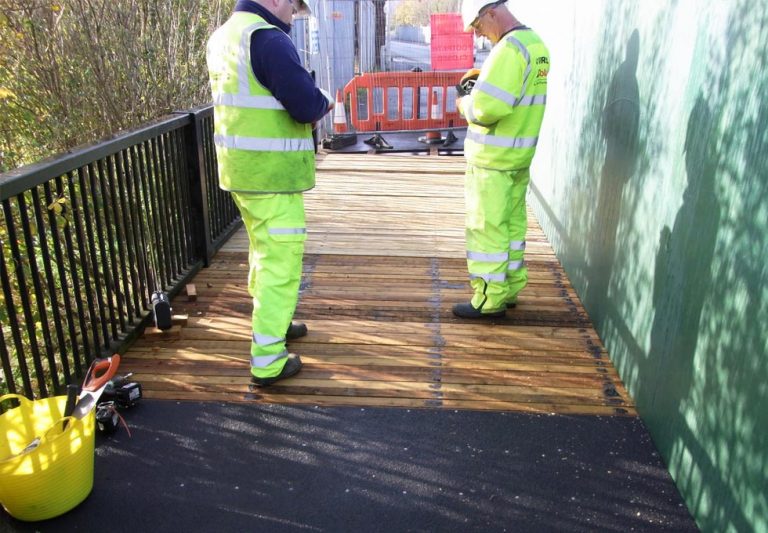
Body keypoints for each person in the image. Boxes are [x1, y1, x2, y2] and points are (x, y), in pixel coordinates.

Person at [206, 0, 334, 386]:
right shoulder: (268, 39)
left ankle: (274, 322)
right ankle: (268, 360)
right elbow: (305, 105)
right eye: (294, 9)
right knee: (280, 263)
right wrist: (325, 98)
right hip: (272, 177)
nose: (293, 16)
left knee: (262, 252)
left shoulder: (225, 35)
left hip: (242, 171)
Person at [453, 0, 549, 319]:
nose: (480, 34)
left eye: (479, 26)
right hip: (519, 157)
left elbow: (488, 108)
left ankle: (488, 298)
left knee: (487, 228)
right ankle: (509, 287)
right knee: (511, 226)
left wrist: (466, 103)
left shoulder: (508, 49)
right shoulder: (535, 44)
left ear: (491, 12)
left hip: (492, 159)